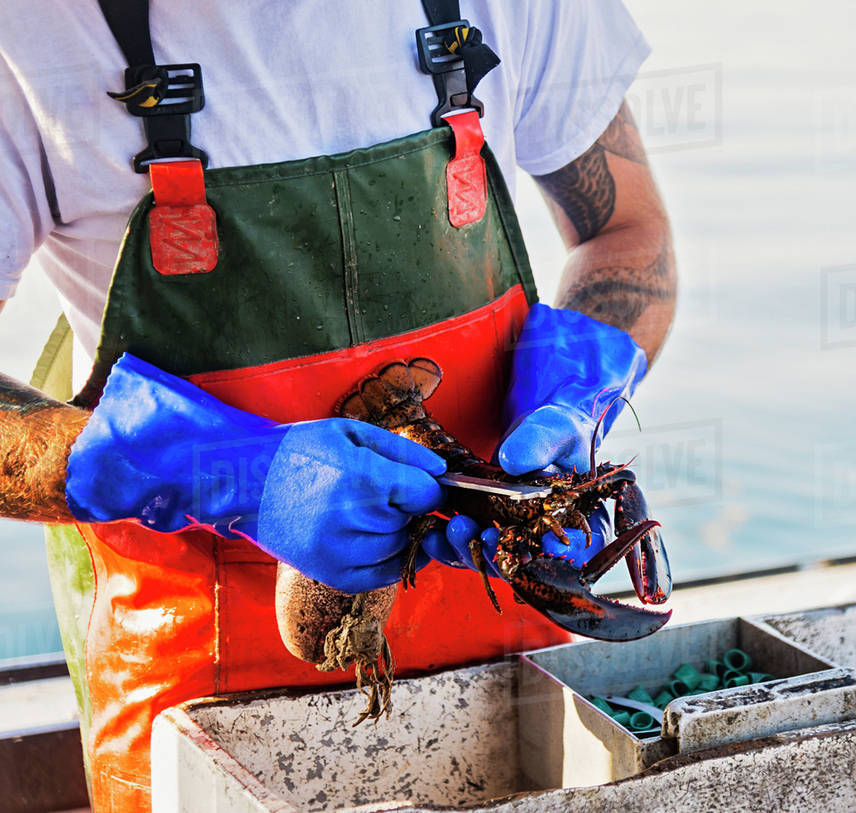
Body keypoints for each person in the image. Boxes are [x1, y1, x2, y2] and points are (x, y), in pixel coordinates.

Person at [0, 1, 675, 810]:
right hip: (199, 711)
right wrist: (230, 475)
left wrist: (576, 394)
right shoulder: (30, 36)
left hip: (518, 667)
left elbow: (628, 231)